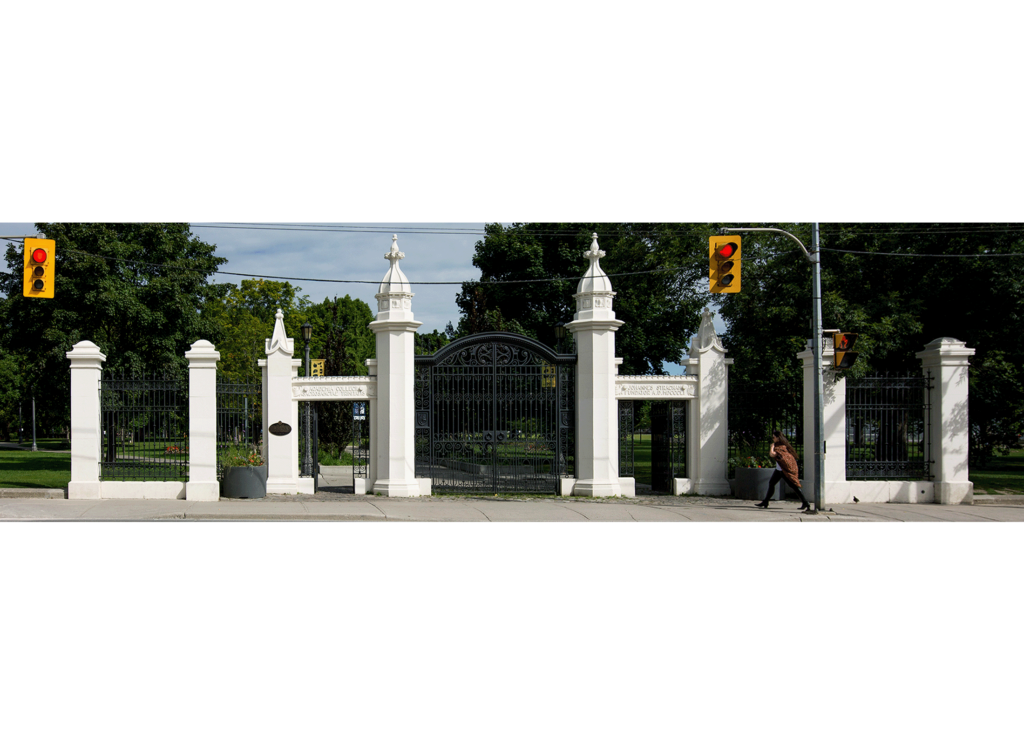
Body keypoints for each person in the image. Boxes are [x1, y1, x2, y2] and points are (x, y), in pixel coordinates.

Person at [755, 431, 811, 511]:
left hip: (784, 470)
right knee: (772, 483)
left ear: (778, 438)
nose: (773, 439)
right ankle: (765, 501)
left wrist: (772, 446)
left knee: (793, 486)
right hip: (779, 469)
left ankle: (805, 502)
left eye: (774, 437)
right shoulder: (782, 445)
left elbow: (772, 454)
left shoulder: (780, 447)